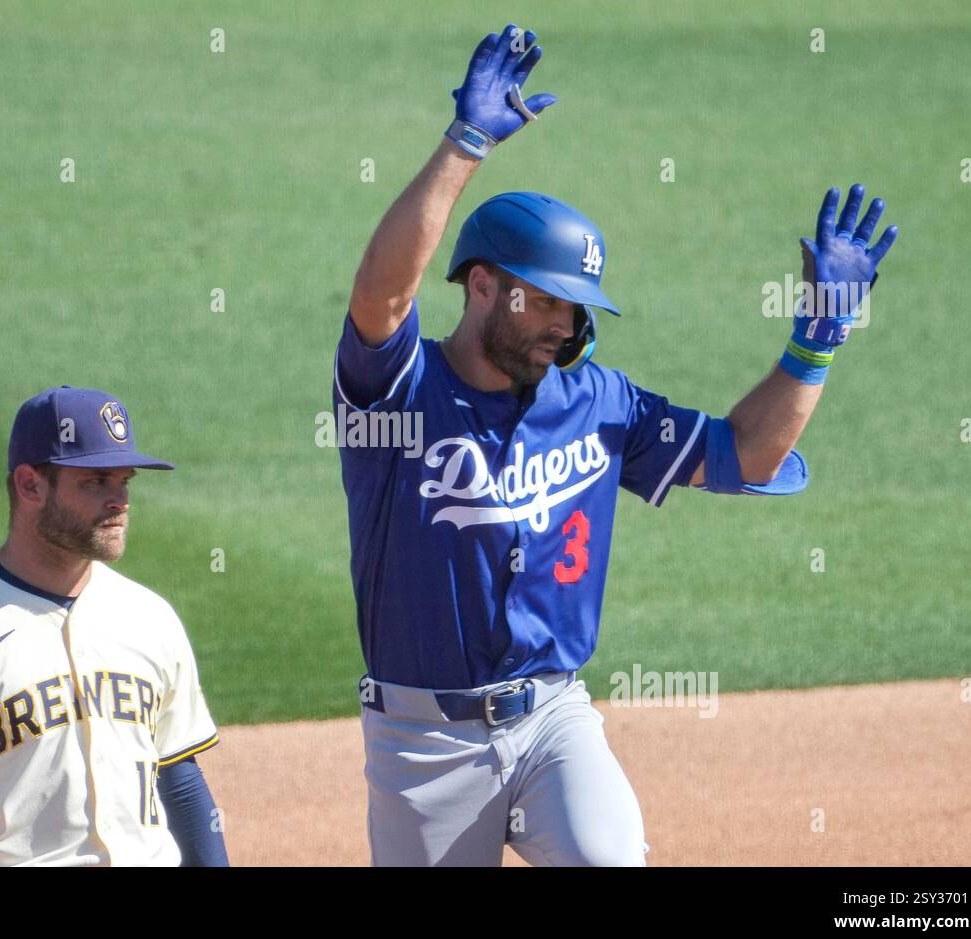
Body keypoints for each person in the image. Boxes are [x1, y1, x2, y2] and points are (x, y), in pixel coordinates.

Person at [334, 24, 896, 866]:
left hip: (554, 720)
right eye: (547, 301)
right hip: (422, 745)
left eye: (576, 306)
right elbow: (382, 292)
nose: (566, 324)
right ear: (481, 285)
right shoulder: (398, 393)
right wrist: (466, 144)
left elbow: (749, 458)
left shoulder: (598, 402)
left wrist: (817, 341)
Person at [0, 385, 228, 866]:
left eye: (124, 481)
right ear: (30, 485)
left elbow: (179, 778)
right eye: (95, 482)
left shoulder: (151, 618)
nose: (119, 501)